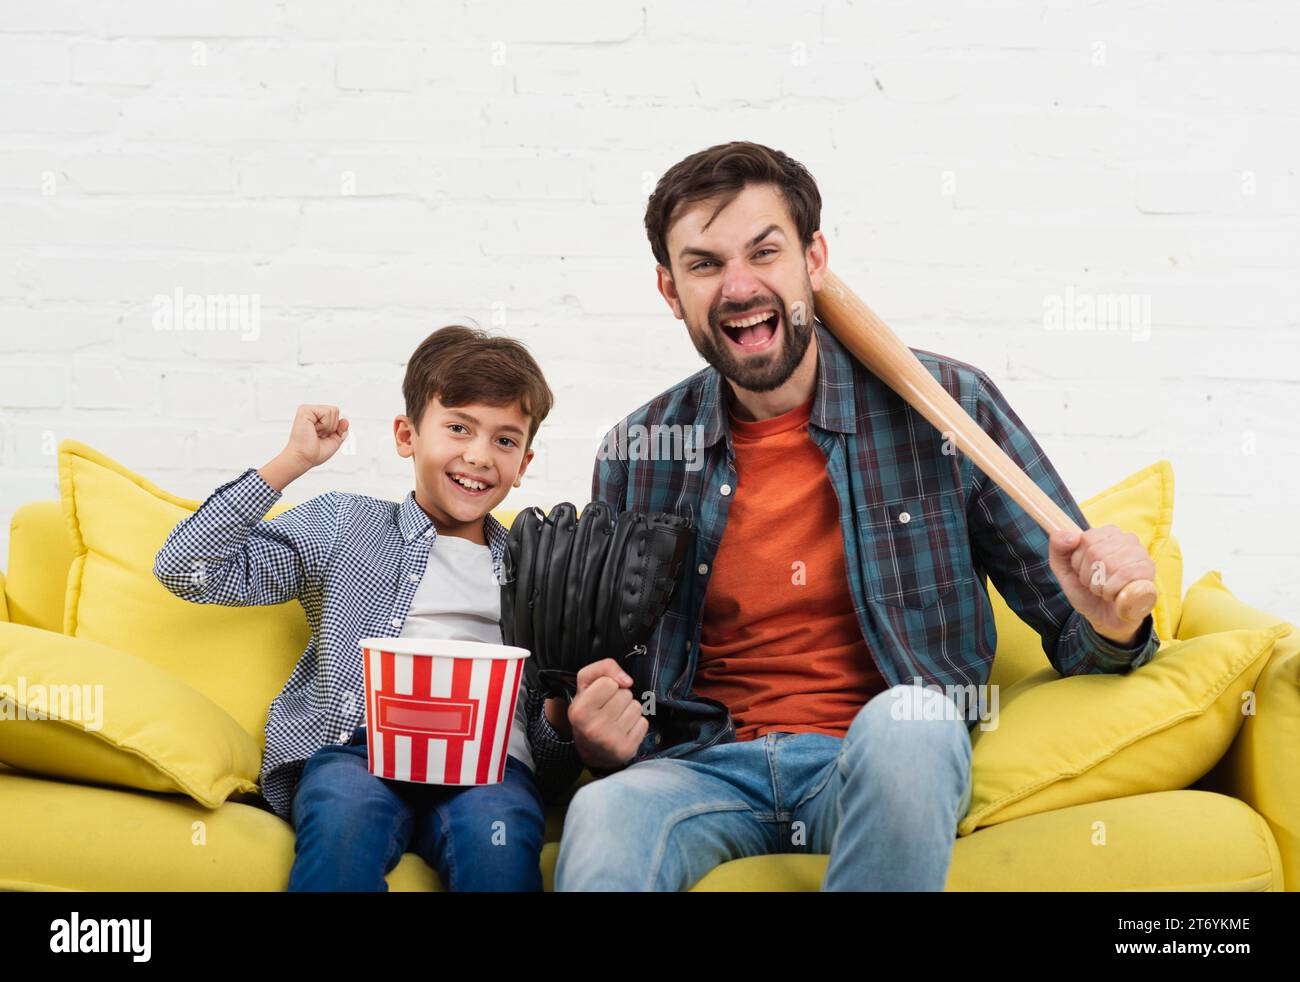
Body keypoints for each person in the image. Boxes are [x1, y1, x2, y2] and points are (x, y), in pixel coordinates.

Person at [541, 141, 1161, 891]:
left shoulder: (949, 408)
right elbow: (603, 686)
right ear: (671, 291)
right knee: (604, 813)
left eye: (764, 251)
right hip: (699, 771)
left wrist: (1112, 622)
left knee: (913, 724)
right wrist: (589, 730)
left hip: (871, 760)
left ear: (815, 259)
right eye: (705, 265)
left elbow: (1080, 636)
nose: (738, 286)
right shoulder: (640, 450)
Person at [154, 325, 574, 891]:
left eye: (504, 440)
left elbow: (550, 753)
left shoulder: (541, 569)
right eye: (458, 428)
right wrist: (292, 462)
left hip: (491, 766)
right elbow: (187, 567)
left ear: (524, 462)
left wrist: (562, 713)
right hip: (362, 754)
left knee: (499, 844)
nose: (478, 455)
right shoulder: (343, 526)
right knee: (343, 824)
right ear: (407, 436)